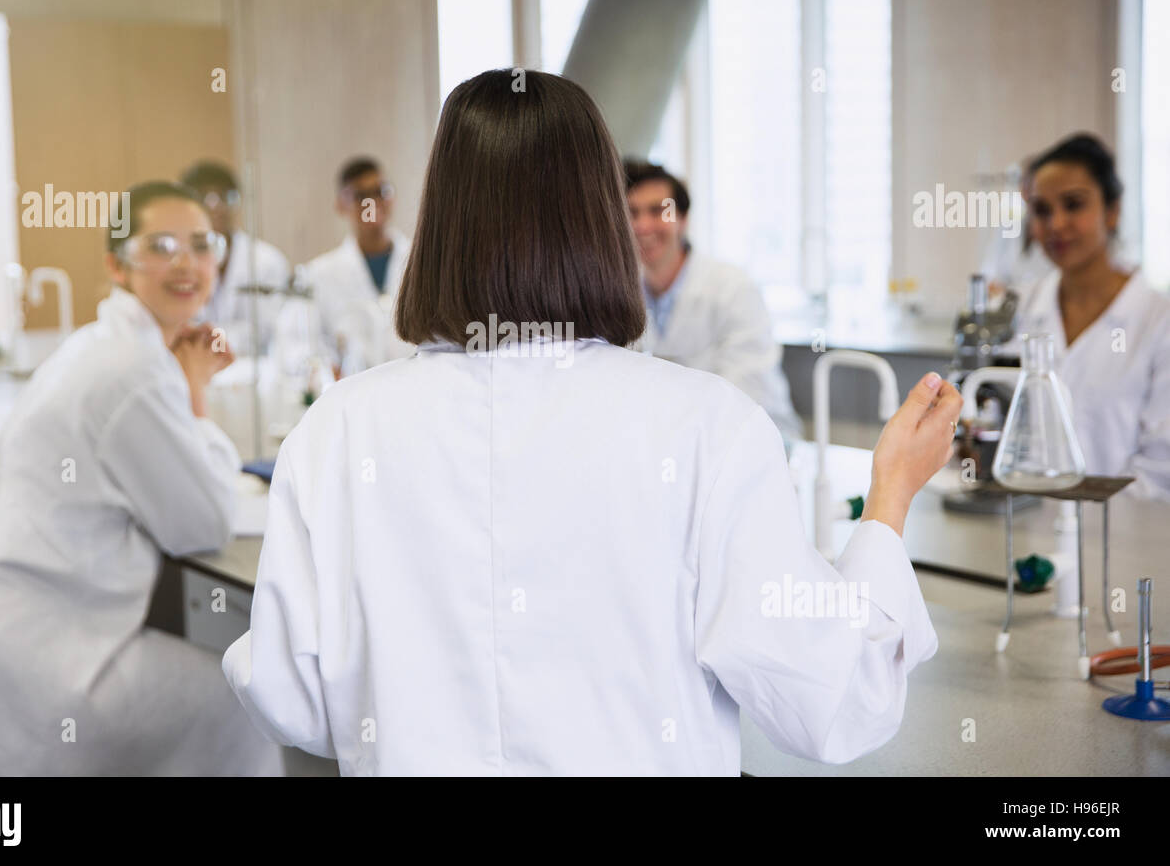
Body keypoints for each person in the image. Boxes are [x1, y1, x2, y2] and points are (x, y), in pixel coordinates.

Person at [223, 70, 956, 775]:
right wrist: (890, 496)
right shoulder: (706, 426)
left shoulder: (336, 432)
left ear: (440, 217)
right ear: (601, 219)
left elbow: (293, 699)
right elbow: (832, 699)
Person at [0, 182, 282, 775]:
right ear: (118, 266)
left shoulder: (107, 345)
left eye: (202, 244)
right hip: (26, 655)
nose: (188, 262)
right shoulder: (134, 368)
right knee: (238, 698)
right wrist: (196, 389)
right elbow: (203, 523)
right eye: (162, 246)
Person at [1013, 133, 1170, 500]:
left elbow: (1163, 462)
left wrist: (1088, 522)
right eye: (1041, 210)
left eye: (1073, 204)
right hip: (1028, 529)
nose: (1056, 224)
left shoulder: (1157, 318)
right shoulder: (1021, 308)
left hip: (1132, 536)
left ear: (1112, 210)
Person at [624, 159, 801, 441]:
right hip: (672, 452)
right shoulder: (622, 295)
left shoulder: (732, 289)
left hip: (754, 445)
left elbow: (746, 394)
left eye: (658, 211)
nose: (643, 226)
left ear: (682, 220)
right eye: (632, 213)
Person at [306, 157, 414, 373]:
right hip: (351, 395)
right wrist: (328, 367)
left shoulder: (421, 263)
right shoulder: (319, 274)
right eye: (361, 196)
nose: (372, 203)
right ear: (340, 205)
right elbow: (303, 345)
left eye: (380, 192)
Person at [180, 160, 292, 355]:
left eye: (224, 197)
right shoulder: (178, 264)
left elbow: (266, 332)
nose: (216, 207)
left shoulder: (265, 260)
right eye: (204, 198)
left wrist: (206, 337)